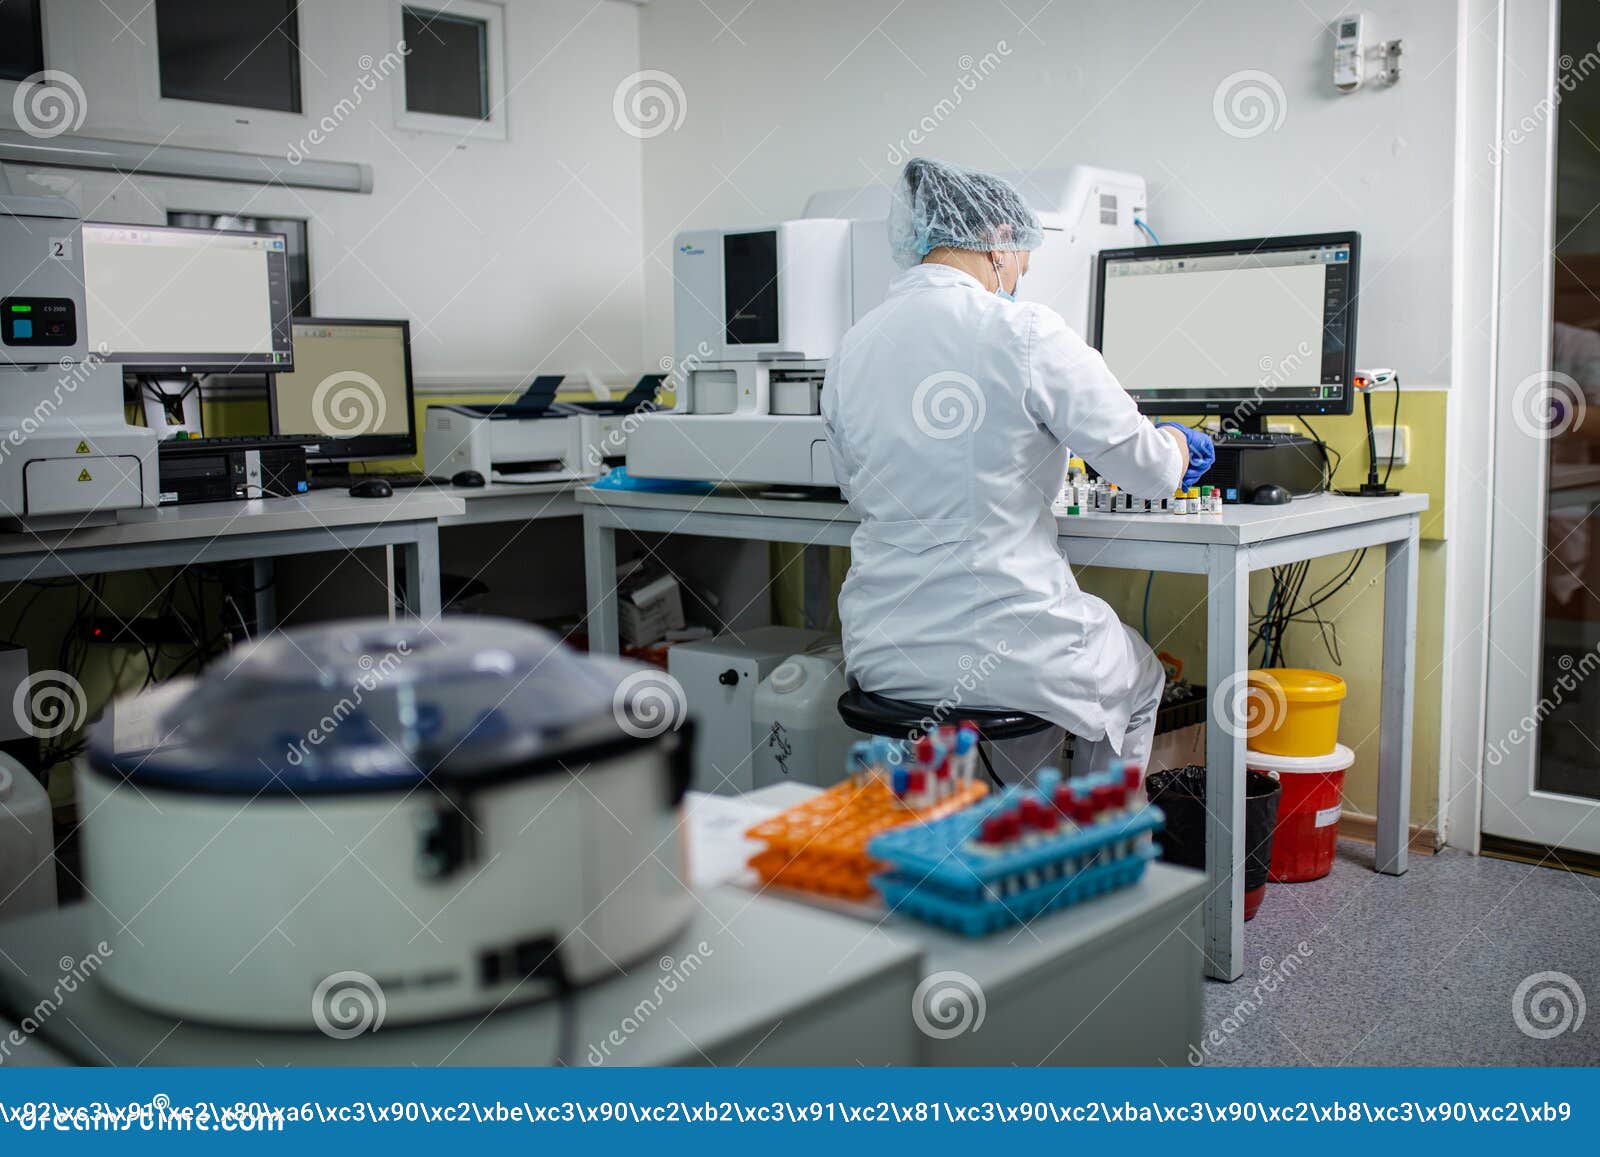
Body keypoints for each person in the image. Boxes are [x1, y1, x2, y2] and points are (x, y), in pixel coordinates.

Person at [821, 156, 1214, 779]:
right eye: (1021, 261)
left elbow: (854, 486)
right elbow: (1146, 469)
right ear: (998, 240)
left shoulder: (854, 345)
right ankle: (1100, 854)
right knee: (1140, 681)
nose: (1017, 278)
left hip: (885, 648)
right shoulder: (1024, 330)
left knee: (1016, 724)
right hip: (1013, 644)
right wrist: (1175, 448)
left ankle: (1008, 845)